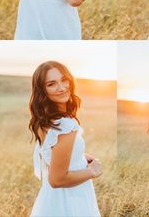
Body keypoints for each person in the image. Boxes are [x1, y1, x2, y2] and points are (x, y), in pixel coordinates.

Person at [29, 61, 102, 217]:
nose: (61, 87)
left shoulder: (45, 121)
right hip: (69, 200)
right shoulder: (65, 125)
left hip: (53, 200)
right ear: (42, 91)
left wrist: (80, 157)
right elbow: (57, 180)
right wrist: (92, 172)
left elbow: (53, 153)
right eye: (51, 84)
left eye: (64, 80)